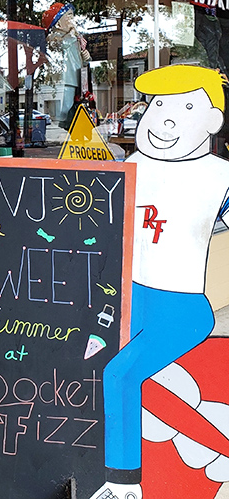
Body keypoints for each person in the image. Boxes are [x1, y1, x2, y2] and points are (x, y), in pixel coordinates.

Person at [90, 65, 229, 499]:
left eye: (185, 107)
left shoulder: (219, 176)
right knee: (95, 369)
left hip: (180, 307)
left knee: (120, 375)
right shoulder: (133, 165)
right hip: (128, 296)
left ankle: (123, 485)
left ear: (212, 121)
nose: (165, 119)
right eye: (159, 104)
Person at [42, 2, 91, 129]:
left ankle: (68, 126)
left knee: (73, 107)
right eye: (68, 16)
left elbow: (78, 59)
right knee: (64, 109)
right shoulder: (55, 37)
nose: (72, 19)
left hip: (75, 78)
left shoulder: (73, 37)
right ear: (58, 22)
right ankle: (62, 126)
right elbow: (61, 45)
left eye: (72, 15)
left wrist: (85, 58)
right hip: (64, 78)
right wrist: (72, 34)